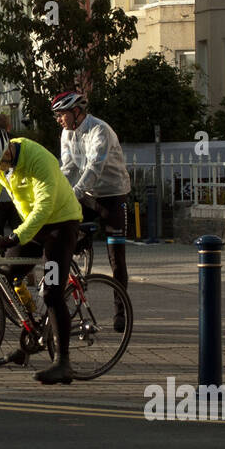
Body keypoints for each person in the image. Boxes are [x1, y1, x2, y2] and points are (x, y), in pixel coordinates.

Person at [0, 124, 82, 385]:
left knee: (53, 292)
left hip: (60, 226)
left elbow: (44, 207)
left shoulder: (38, 158)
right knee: (8, 273)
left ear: (8, 149)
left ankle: (63, 363)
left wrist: (12, 238)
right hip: (32, 227)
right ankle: (30, 337)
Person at [52, 90, 130, 330]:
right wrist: (59, 196)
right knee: (64, 240)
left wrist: (73, 194)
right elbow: (67, 169)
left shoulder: (100, 130)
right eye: (56, 116)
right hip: (88, 196)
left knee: (116, 258)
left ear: (77, 111)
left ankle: (121, 312)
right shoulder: (67, 133)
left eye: (61, 114)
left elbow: (94, 169)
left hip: (113, 196)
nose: (59, 120)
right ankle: (66, 295)